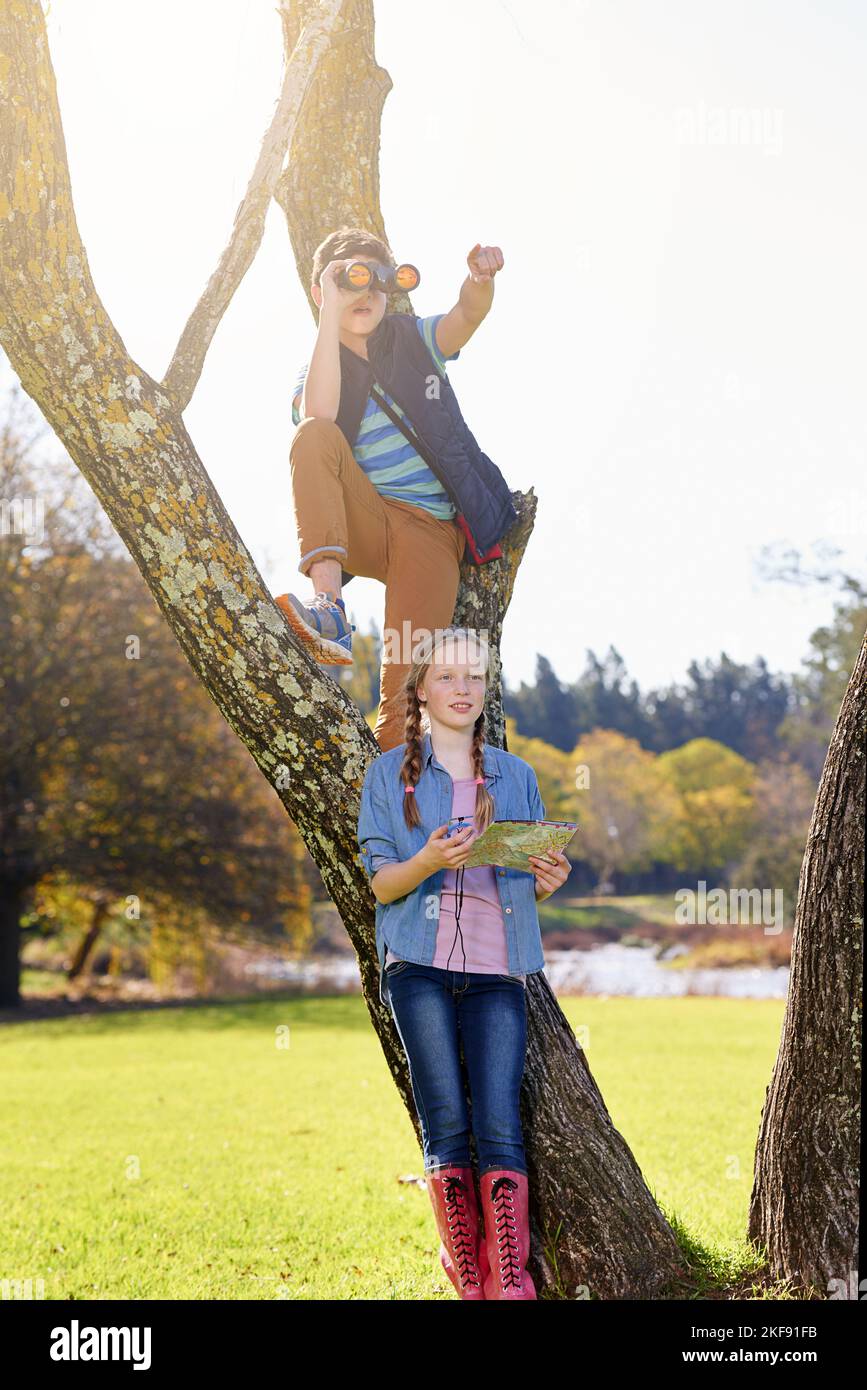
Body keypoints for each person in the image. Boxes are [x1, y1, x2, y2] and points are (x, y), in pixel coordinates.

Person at [356, 626, 570, 1299]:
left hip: (495, 971)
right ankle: (464, 1268)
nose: (463, 689)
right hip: (415, 966)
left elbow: (523, 877)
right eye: (447, 677)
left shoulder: (516, 775)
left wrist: (546, 876)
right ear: (419, 688)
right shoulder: (386, 775)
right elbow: (380, 883)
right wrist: (427, 861)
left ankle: (507, 1273)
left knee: (500, 1121)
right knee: (445, 1117)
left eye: (474, 678)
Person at [274, 226, 518, 752]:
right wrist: (329, 319)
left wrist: (478, 279)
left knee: (405, 701)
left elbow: (465, 318)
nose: (364, 295)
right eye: (349, 281)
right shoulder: (317, 369)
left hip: (429, 533)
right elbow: (320, 415)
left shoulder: (411, 339)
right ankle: (329, 609)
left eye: (375, 283)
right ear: (322, 292)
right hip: (371, 520)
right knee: (312, 436)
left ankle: (400, 819)